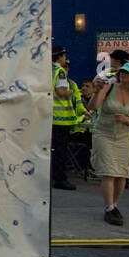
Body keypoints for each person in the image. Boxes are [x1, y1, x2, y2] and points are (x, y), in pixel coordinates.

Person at [89, 62, 129, 226]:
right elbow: (93, 106)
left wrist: (127, 120)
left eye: (128, 73)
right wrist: (97, 92)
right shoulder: (110, 87)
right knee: (109, 171)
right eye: (122, 72)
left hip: (124, 136)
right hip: (104, 133)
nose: (124, 75)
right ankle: (108, 207)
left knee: (122, 173)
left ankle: (115, 205)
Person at [51, 46, 77, 190]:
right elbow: (61, 92)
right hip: (62, 119)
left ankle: (55, 177)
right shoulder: (60, 72)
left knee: (53, 150)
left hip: (50, 117)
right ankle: (60, 179)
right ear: (60, 57)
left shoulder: (48, 71)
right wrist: (71, 91)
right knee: (61, 151)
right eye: (64, 56)